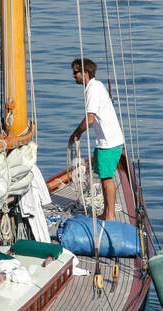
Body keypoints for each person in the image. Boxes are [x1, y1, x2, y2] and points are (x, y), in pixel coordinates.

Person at [68, 57, 125, 221]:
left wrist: (76, 134)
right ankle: (106, 213)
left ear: (85, 73)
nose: (73, 76)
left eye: (75, 72)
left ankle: (111, 216)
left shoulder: (92, 89)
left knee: (107, 180)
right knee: (104, 178)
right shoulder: (96, 86)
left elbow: (90, 118)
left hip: (109, 142)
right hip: (107, 141)